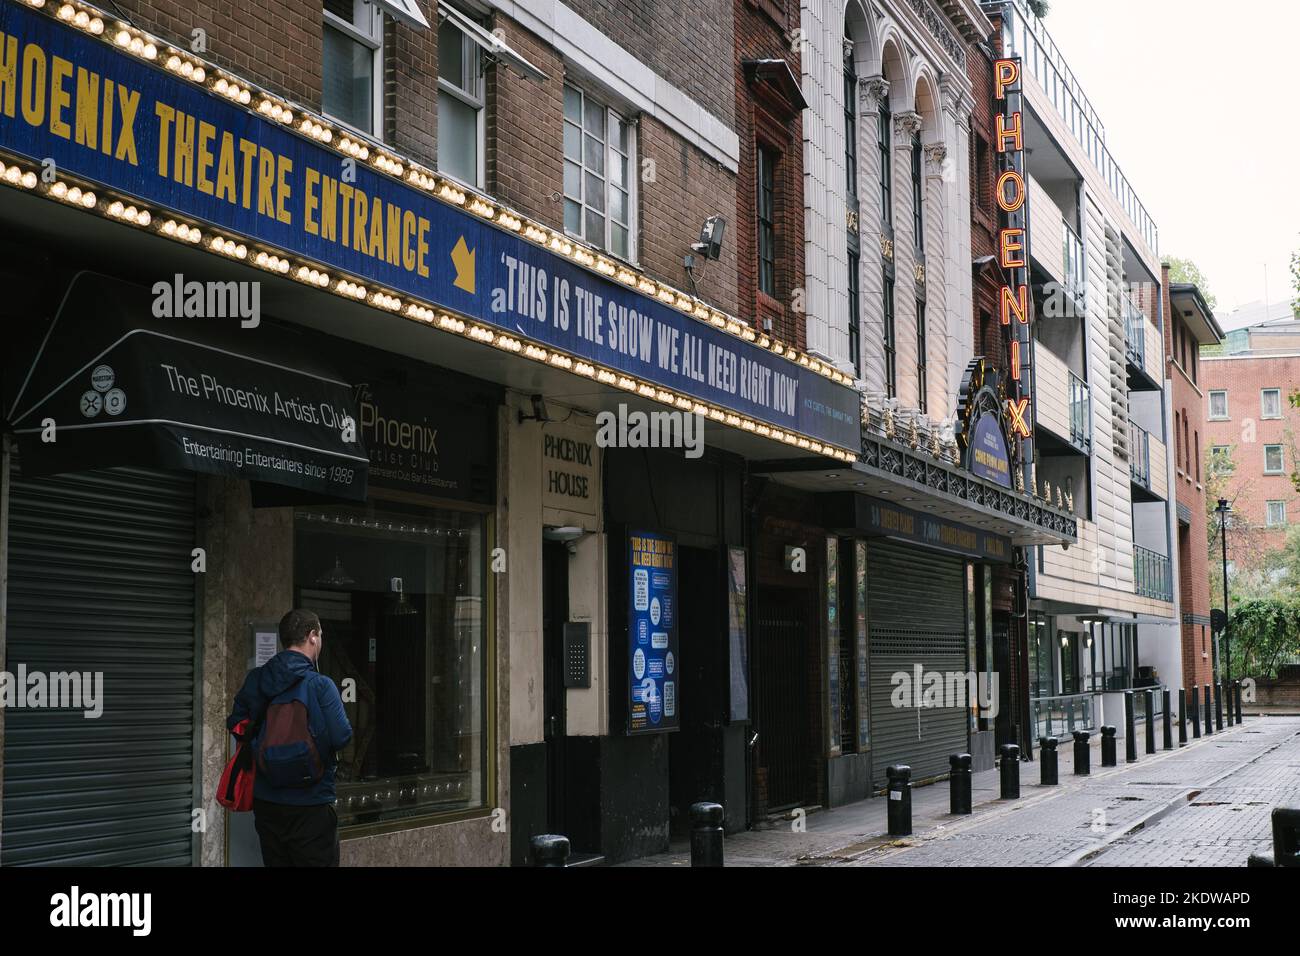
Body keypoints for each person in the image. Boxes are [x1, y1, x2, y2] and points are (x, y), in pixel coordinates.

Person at [227, 608, 352, 866]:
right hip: (312, 804)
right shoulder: (320, 685)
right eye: (320, 635)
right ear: (312, 636)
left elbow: (236, 725)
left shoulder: (257, 679)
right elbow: (342, 736)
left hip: (267, 804)